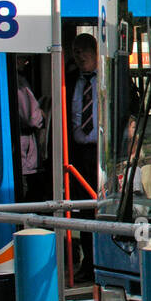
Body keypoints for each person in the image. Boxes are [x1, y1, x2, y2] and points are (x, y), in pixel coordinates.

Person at [68, 33, 99, 279]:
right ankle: (88, 263)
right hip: (79, 155)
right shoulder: (70, 81)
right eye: (76, 52)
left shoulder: (108, 78)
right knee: (85, 211)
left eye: (84, 51)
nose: (80, 57)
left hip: (103, 153)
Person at [15, 58, 45, 202]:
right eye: (23, 59)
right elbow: (31, 118)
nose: (25, 63)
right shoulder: (19, 82)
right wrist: (43, 114)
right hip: (24, 157)